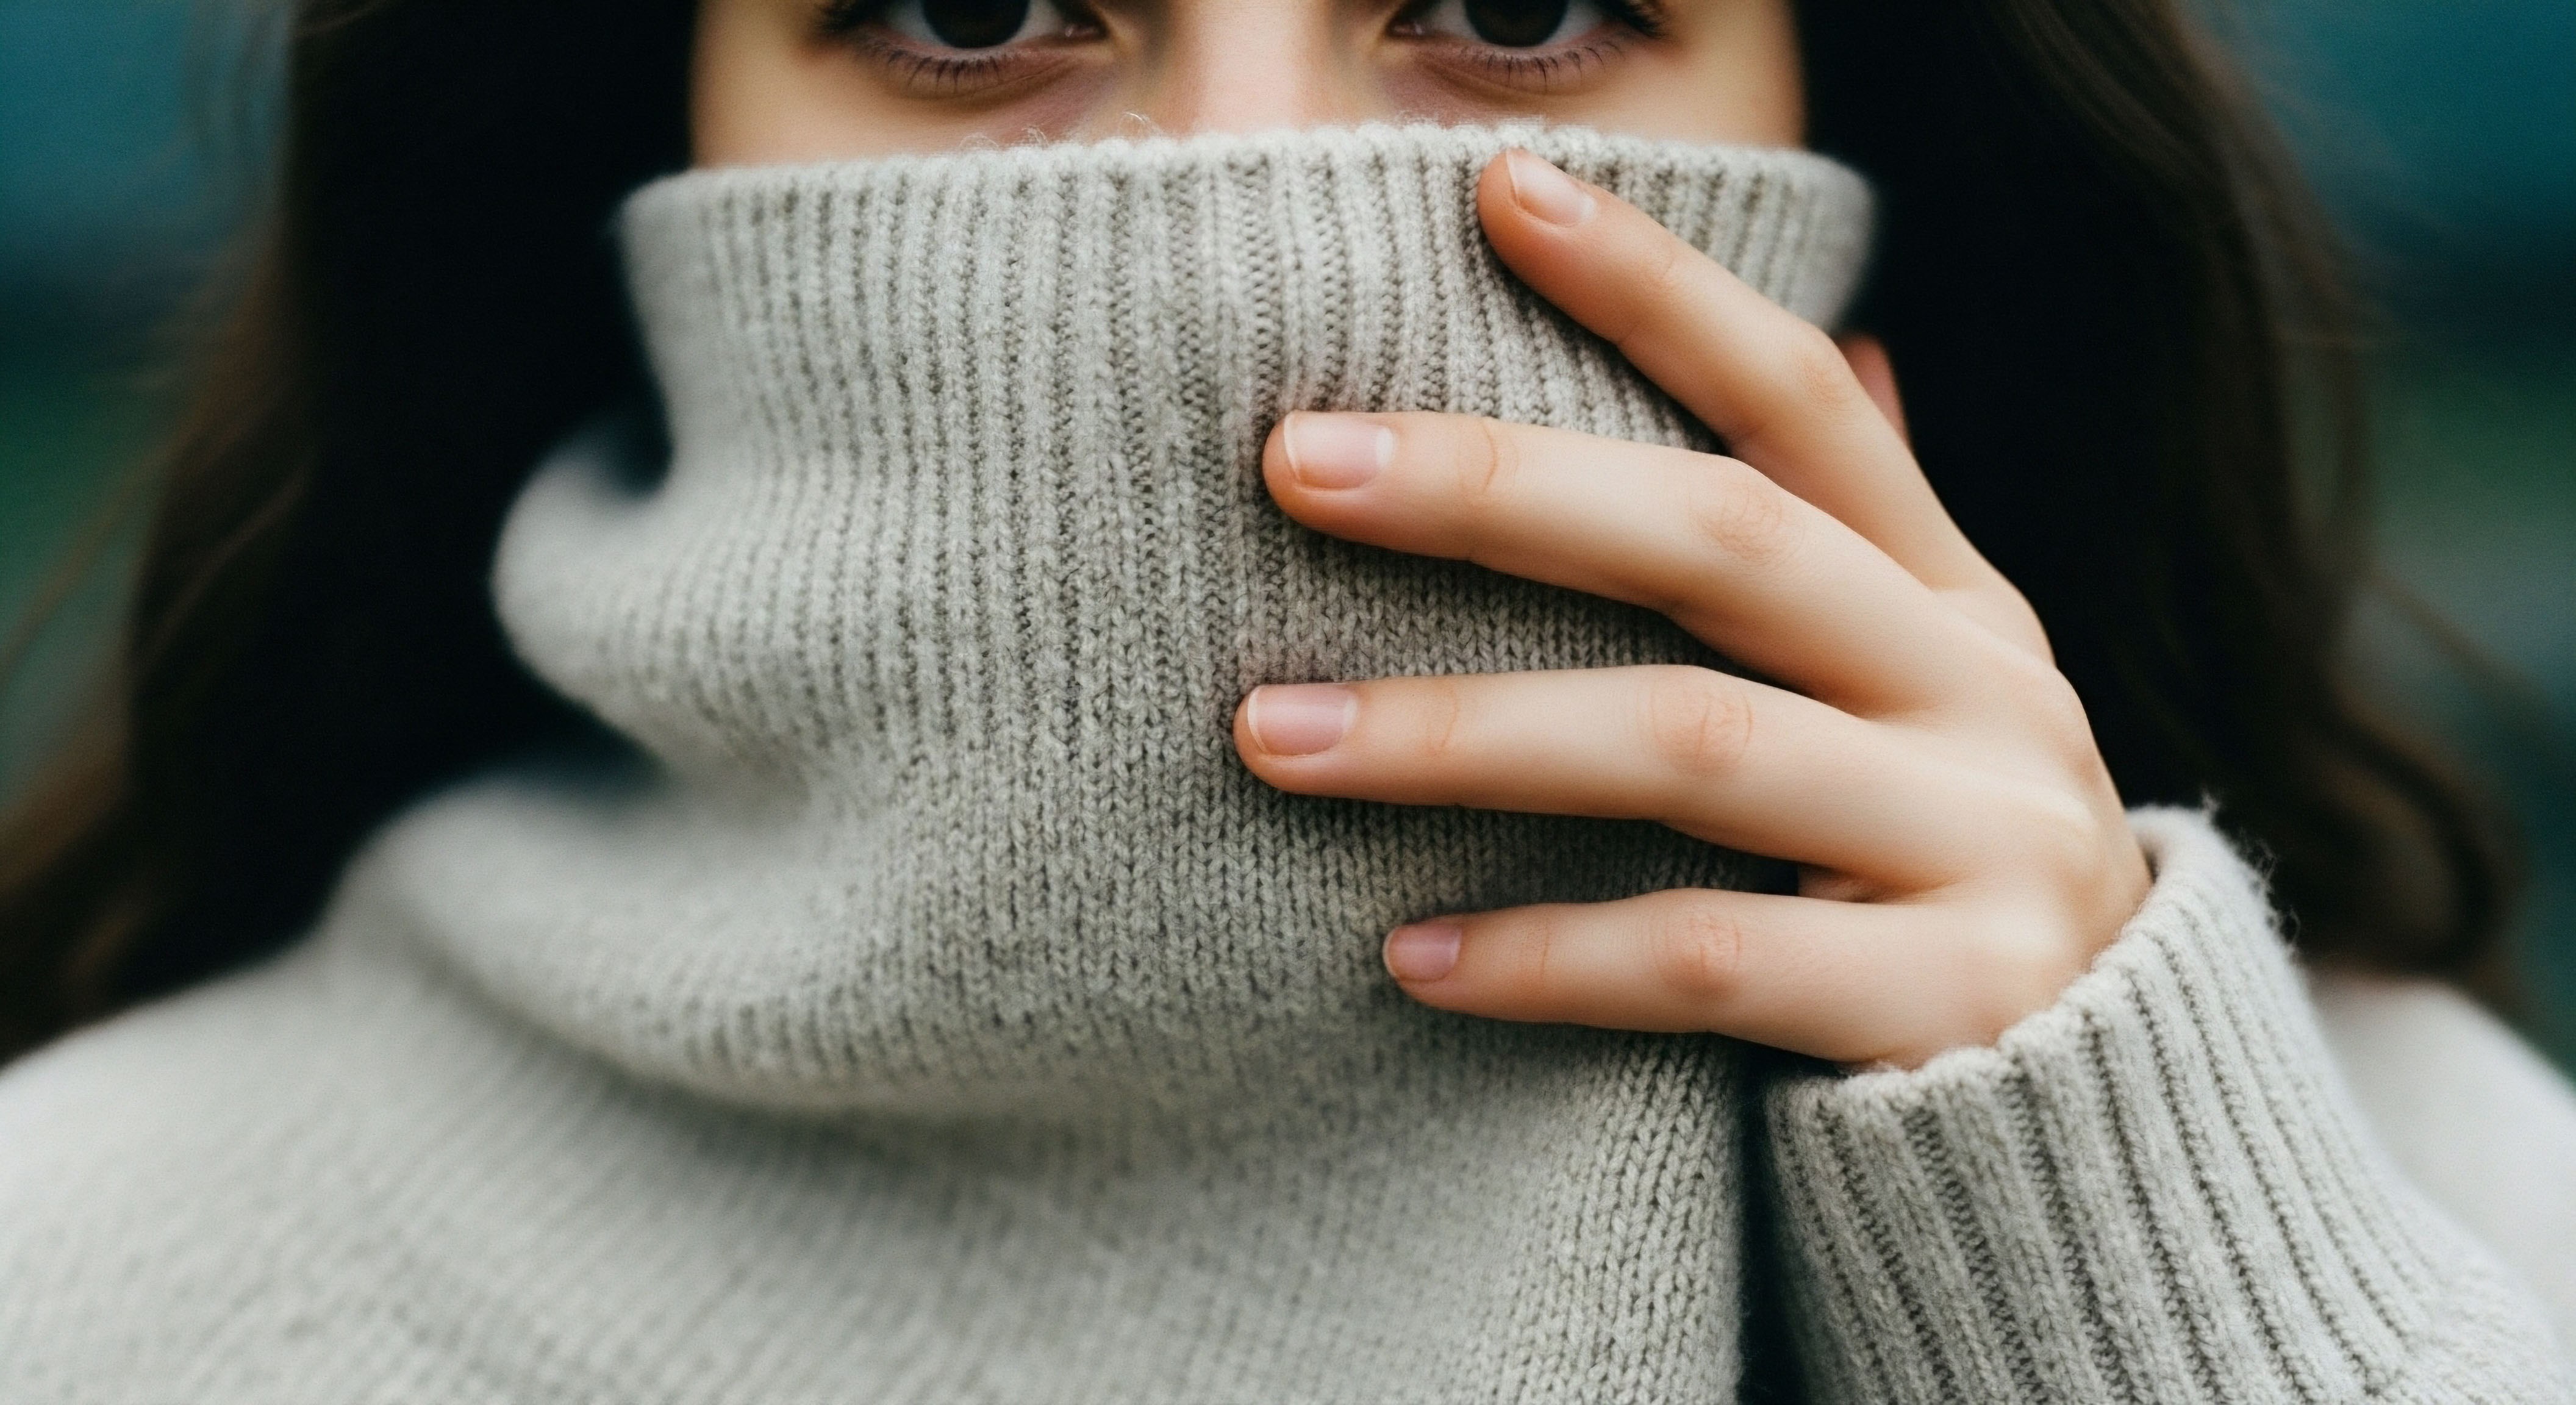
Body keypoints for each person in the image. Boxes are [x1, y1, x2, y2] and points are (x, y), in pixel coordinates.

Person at [1, 0, 2570, 1398]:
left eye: (1514, 7)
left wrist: (2140, 1267)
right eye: (976, 9)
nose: (1230, 199)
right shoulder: (77, 1278)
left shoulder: (2421, 1201)